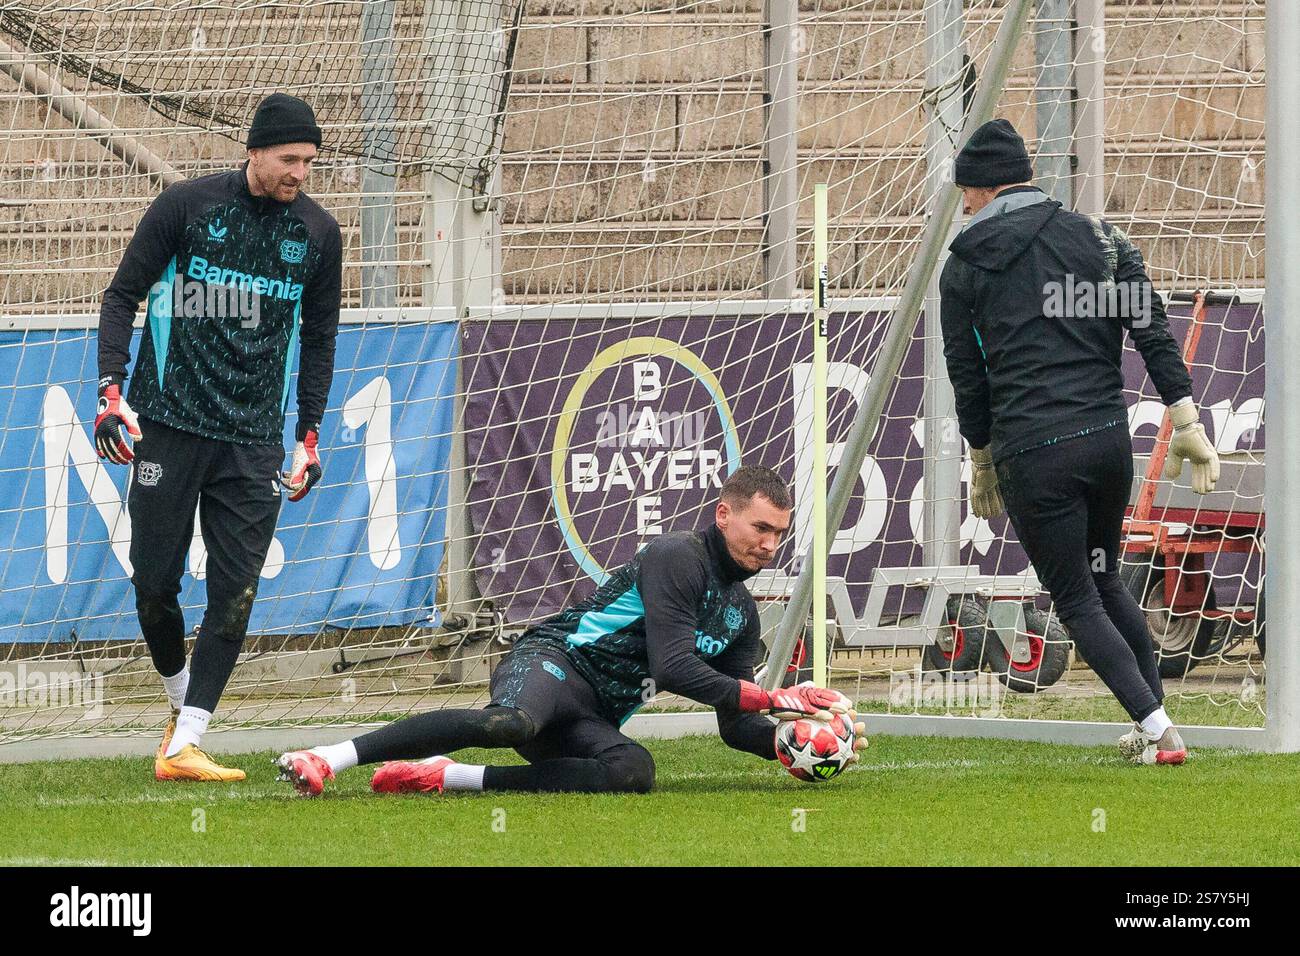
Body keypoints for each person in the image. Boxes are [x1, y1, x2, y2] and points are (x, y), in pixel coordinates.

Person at [276, 466, 865, 796]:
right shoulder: (676, 556)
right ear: (723, 515)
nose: (767, 544)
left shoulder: (741, 613)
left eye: (778, 535)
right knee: (509, 723)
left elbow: (736, 727)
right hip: (552, 664)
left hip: (591, 717)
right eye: (759, 528)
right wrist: (776, 695)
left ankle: (449, 775)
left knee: (634, 773)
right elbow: (673, 667)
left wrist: (791, 744)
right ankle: (328, 756)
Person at [939, 118, 1220, 766]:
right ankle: (1150, 721)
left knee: (1074, 597)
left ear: (981, 190)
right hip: (1105, 444)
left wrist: (982, 458)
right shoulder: (1098, 237)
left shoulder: (965, 263)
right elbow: (1150, 327)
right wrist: (1184, 418)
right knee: (1106, 579)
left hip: (1036, 454)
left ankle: (1159, 733)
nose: (965, 206)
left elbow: (968, 376)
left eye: (966, 194)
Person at [95, 93, 343, 781]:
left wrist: (309, 436)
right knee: (154, 586)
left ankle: (188, 739)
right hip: (168, 424)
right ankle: (180, 714)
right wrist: (110, 394)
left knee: (235, 592)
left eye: (309, 162)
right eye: (290, 158)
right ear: (255, 150)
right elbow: (121, 297)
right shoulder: (188, 208)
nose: (300, 172)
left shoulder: (318, 236)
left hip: (253, 440)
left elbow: (320, 339)